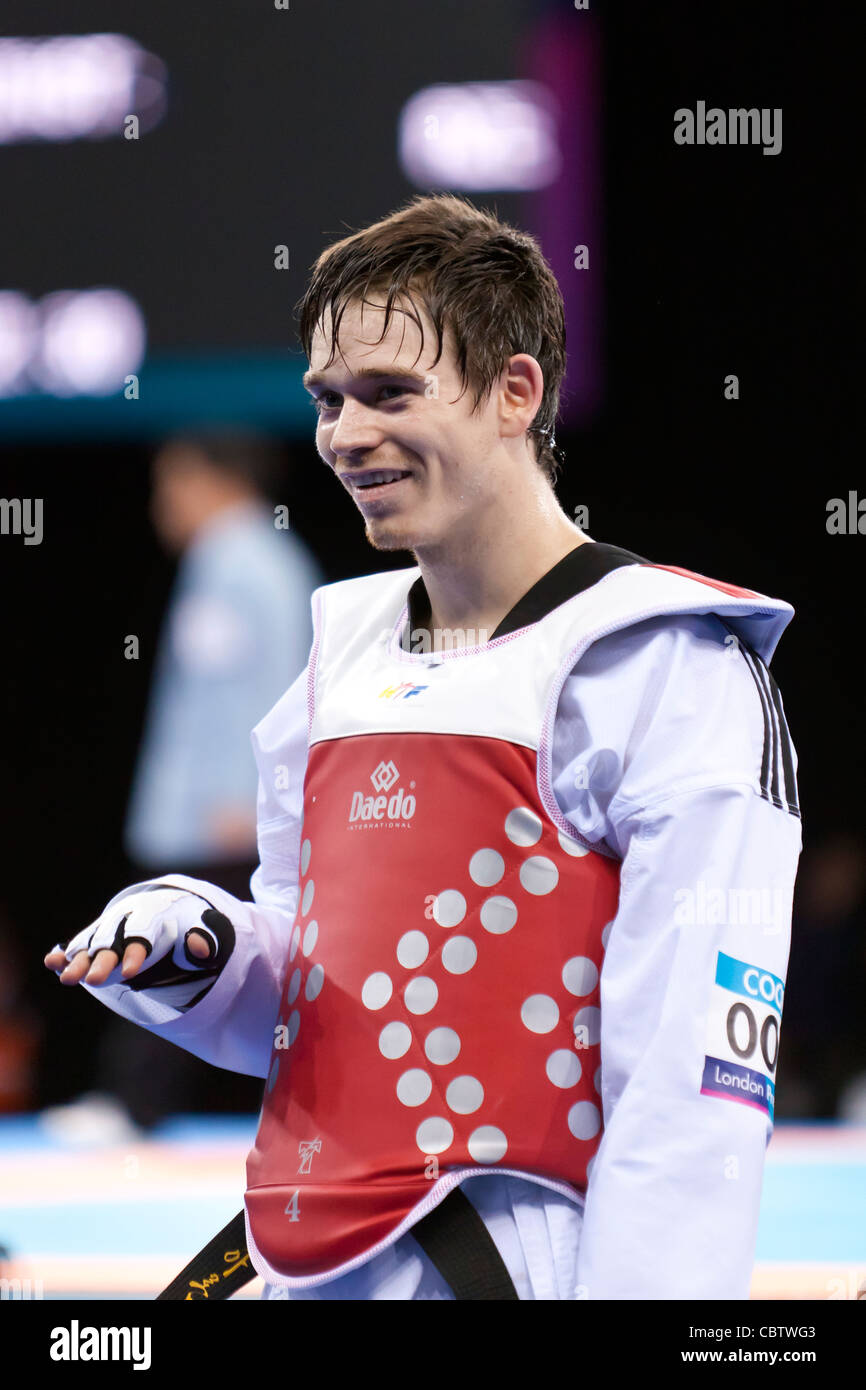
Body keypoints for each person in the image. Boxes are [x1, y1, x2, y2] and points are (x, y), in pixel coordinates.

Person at [45, 193, 802, 1299]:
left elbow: (696, 1078)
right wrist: (201, 946)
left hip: (515, 1251)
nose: (346, 434)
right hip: (304, 1244)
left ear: (513, 391)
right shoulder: (337, 649)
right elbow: (325, 1013)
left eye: (390, 391)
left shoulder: (657, 661)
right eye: (328, 398)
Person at [44, 431, 323, 1135]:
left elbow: (280, 686)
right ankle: (136, 1103)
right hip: (195, 804)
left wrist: (247, 793)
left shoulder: (256, 564)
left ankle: (134, 1105)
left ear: (216, 481)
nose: (162, 505)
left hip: (222, 810)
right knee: (164, 938)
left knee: (182, 946)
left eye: (172, 486)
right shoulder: (221, 561)